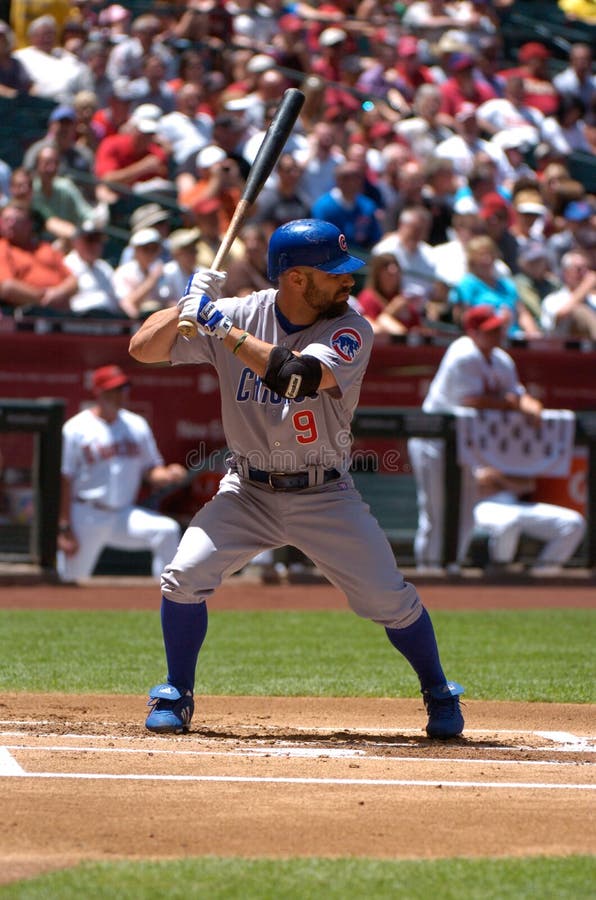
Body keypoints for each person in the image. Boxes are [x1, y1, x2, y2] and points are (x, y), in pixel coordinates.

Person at [129, 218, 465, 739]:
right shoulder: (242, 312)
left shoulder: (351, 327)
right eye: (334, 273)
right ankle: (176, 691)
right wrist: (184, 306)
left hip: (324, 492)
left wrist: (219, 325)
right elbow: (142, 349)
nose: (348, 281)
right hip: (247, 491)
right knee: (183, 576)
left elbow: (296, 377)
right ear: (296, 278)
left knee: (388, 599)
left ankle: (439, 691)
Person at [408, 304, 543, 572]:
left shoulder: (502, 359)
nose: (496, 335)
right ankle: (428, 571)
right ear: (473, 332)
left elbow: (517, 394)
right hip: (434, 439)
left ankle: (453, 567)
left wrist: (530, 403)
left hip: (466, 442)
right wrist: (513, 403)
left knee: (466, 510)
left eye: (498, 329)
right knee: (436, 511)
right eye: (489, 331)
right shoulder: (463, 352)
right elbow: (472, 400)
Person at [58, 364, 186, 583]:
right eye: (113, 390)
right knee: (69, 581)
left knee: (167, 531)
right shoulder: (75, 428)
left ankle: (168, 595)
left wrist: (168, 474)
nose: (119, 395)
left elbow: (151, 469)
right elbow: (64, 479)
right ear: (99, 392)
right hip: (86, 514)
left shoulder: (136, 424)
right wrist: (64, 527)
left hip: (123, 515)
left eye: (122, 389)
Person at [471, 465, 585, 577]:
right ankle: (500, 573)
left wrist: (497, 477)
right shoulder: (467, 456)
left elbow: (528, 486)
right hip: (478, 506)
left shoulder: (506, 456)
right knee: (509, 522)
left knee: (572, 522)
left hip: (513, 505)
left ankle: (544, 573)